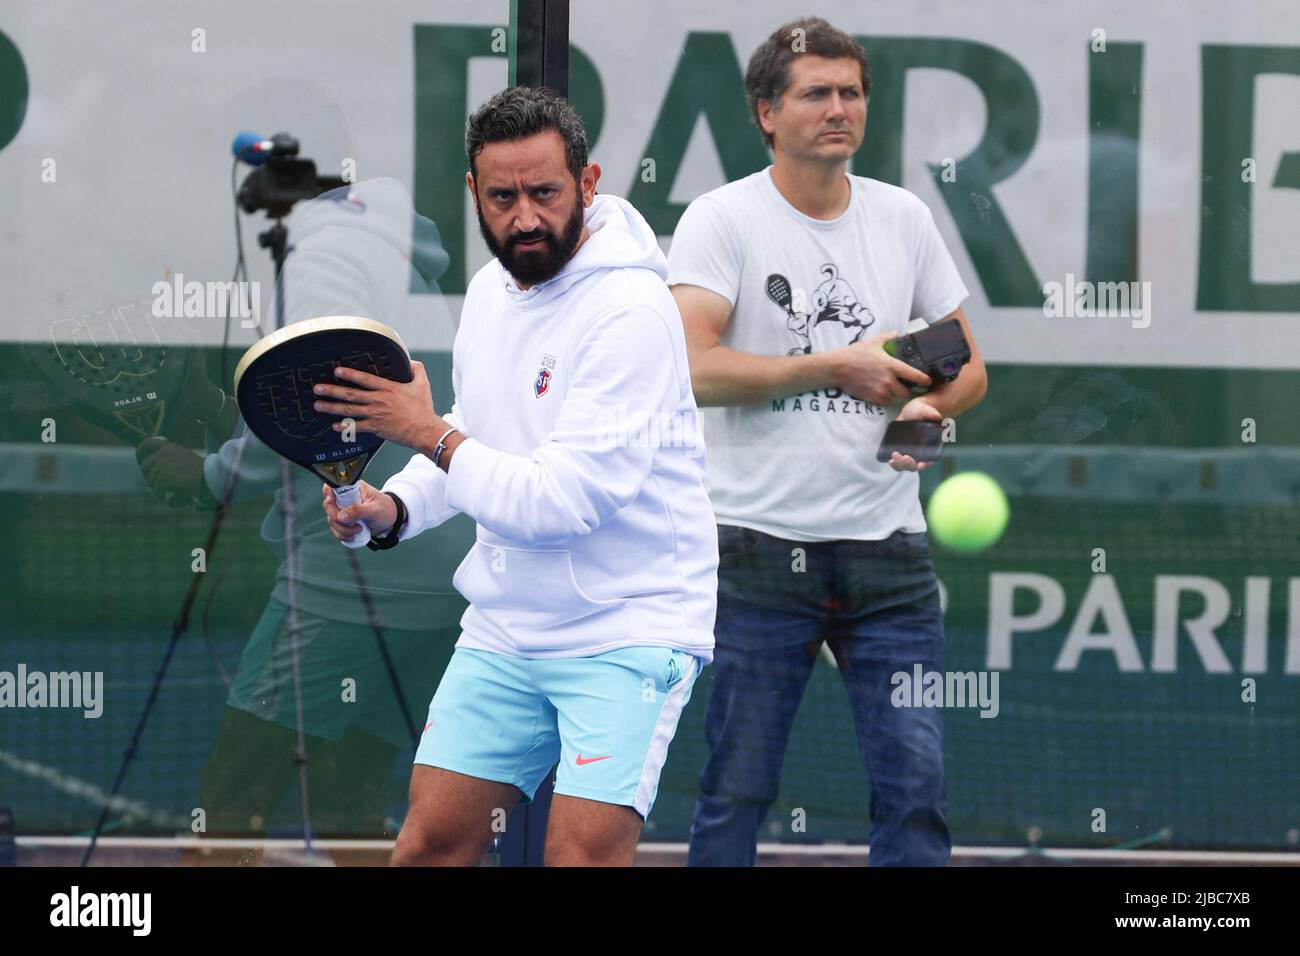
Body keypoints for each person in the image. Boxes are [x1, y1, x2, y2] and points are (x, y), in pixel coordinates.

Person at [314, 86, 717, 866]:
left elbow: (560, 501)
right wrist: (393, 507)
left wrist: (427, 435)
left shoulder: (631, 312)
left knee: (579, 859)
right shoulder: (492, 291)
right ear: (474, 192)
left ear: (589, 184)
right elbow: (481, 436)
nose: (524, 217)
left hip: (628, 630)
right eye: (502, 197)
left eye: (545, 192)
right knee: (431, 843)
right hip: (506, 627)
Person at [667, 17, 988, 866]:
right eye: (816, 92)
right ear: (767, 112)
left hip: (893, 560)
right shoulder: (719, 219)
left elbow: (970, 367)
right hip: (754, 553)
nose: (838, 108)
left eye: (850, 92)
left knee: (916, 792)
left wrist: (930, 406)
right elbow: (692, 370)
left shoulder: (905, 216)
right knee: (737, 788)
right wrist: (833, 367)